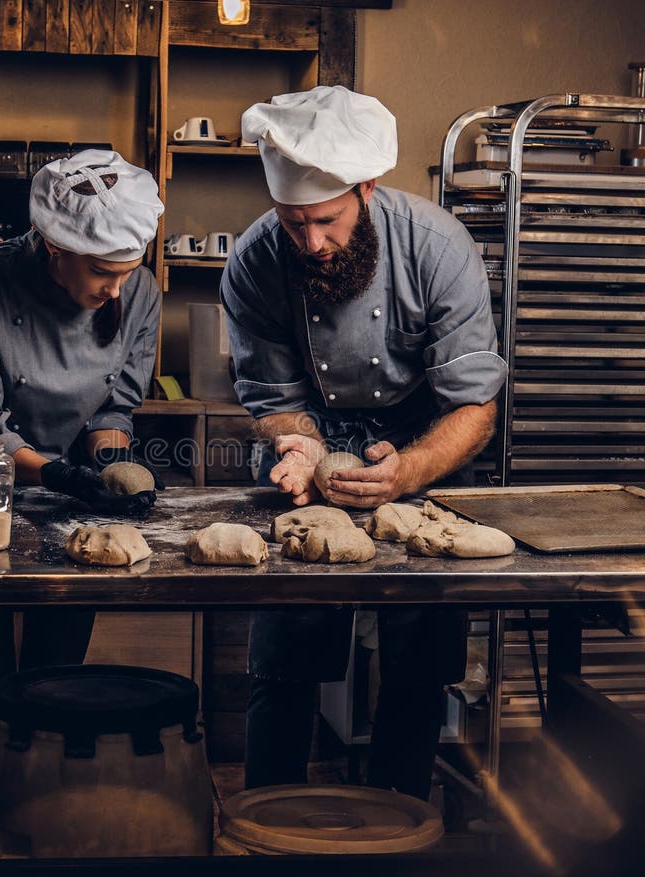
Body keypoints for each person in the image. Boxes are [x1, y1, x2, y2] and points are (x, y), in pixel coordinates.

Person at [220, 86, 508, 800]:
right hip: (311, 454)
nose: (309, 244)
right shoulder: (258, 261)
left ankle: (396, 828)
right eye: (293, 224)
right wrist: (302, 449)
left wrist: (407, 470)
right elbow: (275, 401)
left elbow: (475, 407)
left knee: (416, 662)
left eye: (326, 220)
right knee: (284, 658)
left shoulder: (438, 247)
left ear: (368, 189)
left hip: (423, 445)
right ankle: (271, 826)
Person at [0, 149, 164, 853]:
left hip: (68, 498)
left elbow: (114, 405)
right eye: (102, 273)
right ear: (53, 247)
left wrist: (106, 465)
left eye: (125, 272)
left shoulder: (139, 288)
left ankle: (39, 842)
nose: (116, 290)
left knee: (51, 684)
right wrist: (61, 475)